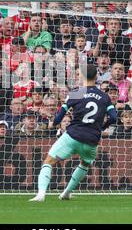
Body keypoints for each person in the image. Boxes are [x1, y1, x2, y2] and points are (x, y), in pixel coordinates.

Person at [29, 64, 117, 201]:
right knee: (85, 164)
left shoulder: (76, 93)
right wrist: (101, 128)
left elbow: (61, 114)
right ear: (96, 77)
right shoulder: (105, 97)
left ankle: (41, 194)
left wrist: (54, 123)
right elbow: (114, 117)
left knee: (48, 161)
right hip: (92, 139)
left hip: (73, 135)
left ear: (82, 76)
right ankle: (67, 192)